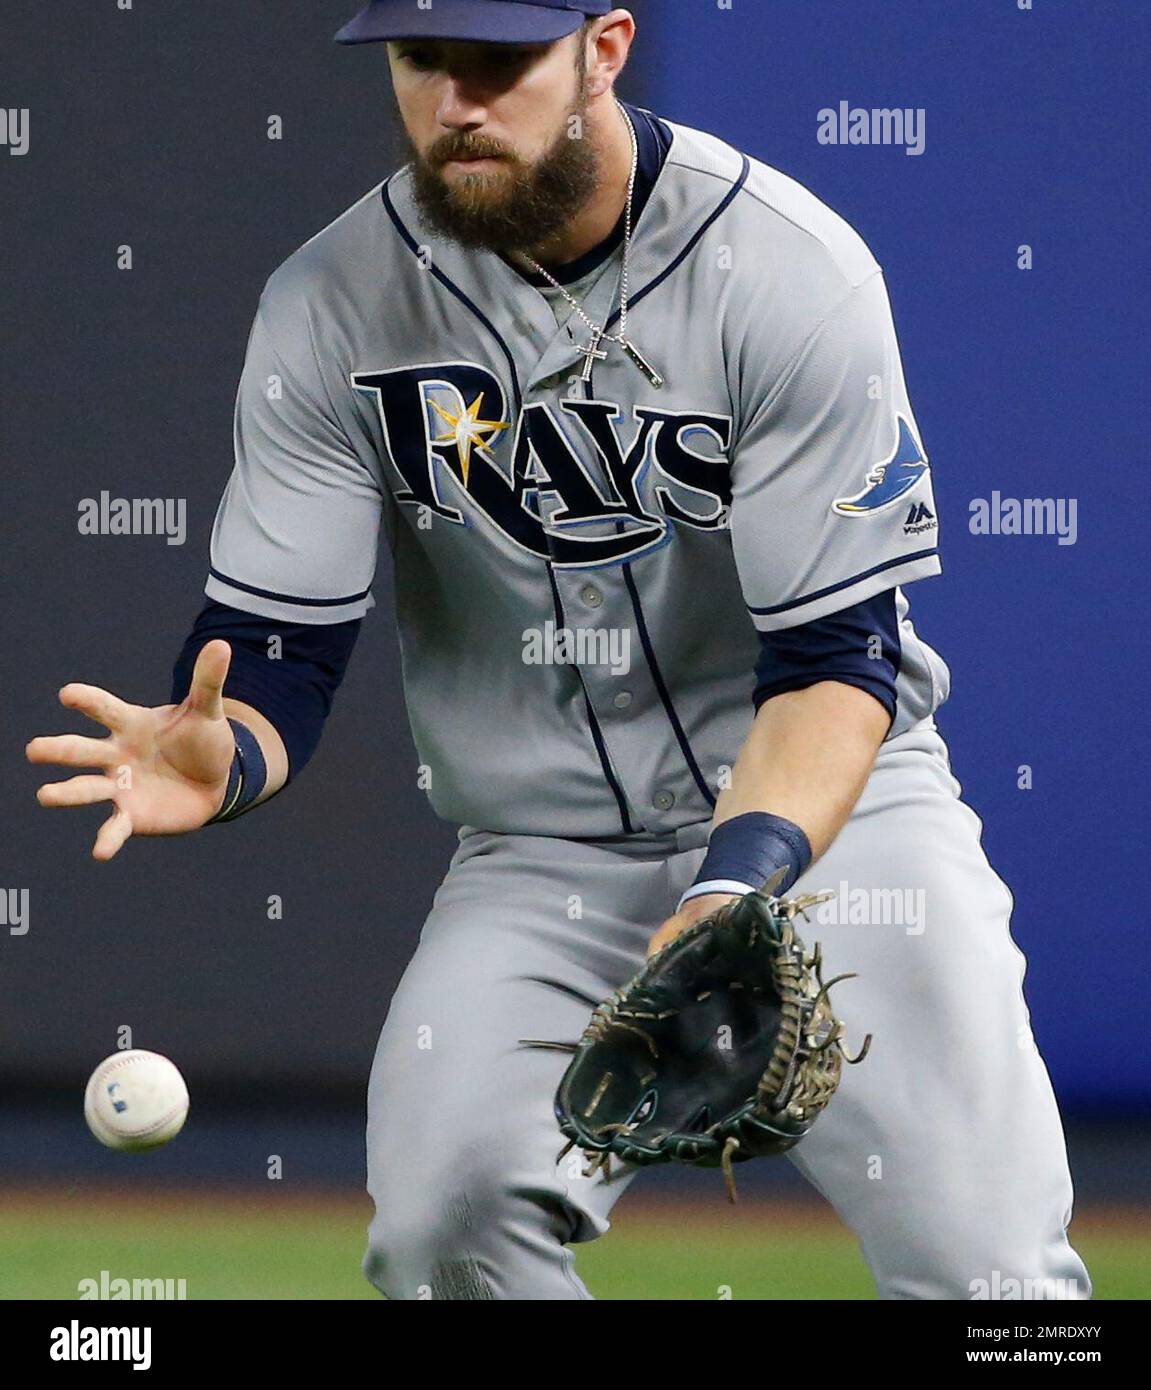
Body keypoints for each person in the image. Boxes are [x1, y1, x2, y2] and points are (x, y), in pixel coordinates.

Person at [27, 0, 1090, 1300]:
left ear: (603, 46)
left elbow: (835, 661)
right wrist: (229, 752)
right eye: (425, 60)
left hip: (831, 827)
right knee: (443, 1235)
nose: (458, 99)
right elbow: (274, 650)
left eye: (500, 58)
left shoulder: (791, 270)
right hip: (540, 856)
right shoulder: (327, 302)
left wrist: (734, 886)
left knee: (993, 1278)